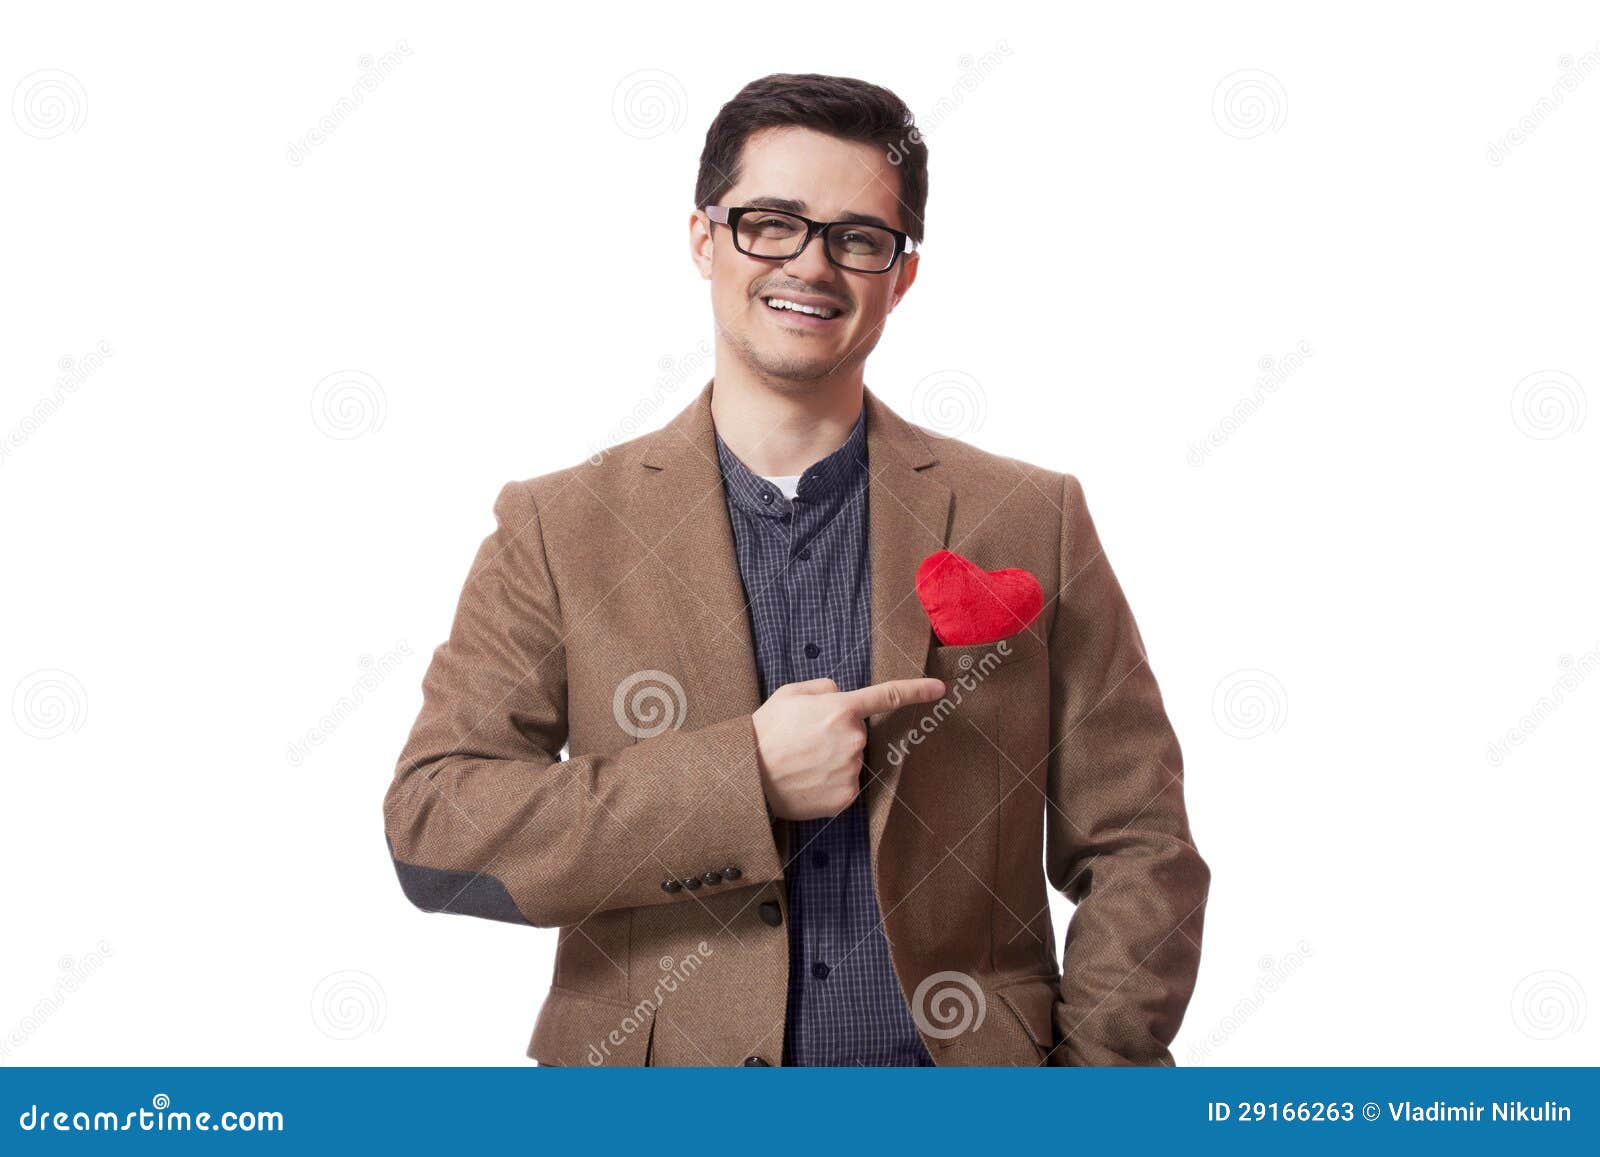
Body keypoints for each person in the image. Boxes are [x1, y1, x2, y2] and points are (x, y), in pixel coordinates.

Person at [382, 72, 1209, 1066]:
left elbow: (1138, 844)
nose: (810, 265)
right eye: (771, 223)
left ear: (900, 275)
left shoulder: (1030, 518)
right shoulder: (557, 527)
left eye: (858, 237)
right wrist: (745, 777)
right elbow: (436, 830)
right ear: (703, 238)